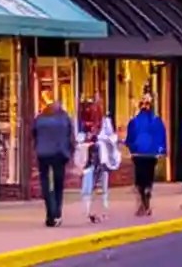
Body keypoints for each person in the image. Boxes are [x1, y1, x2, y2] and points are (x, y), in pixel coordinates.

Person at [32, 95, 75, 228]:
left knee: (45, 184)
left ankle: (50, 213)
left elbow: (33, 134)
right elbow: (71, 137)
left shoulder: (40, 119)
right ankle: (57, 212)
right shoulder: (65, 118)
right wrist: (71, 153)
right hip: (59, 154)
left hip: (43, 154)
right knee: (58, 184)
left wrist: (37, 149)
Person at [78, 98, 119, 223]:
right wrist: (86, 140)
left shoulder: (105, 123)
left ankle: (101, 211)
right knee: (88, 186)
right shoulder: (84, 124)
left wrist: (102, 139)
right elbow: (79, 138)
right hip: (90, 159)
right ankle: (90, 211)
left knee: (102, 186)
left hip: (102, 159)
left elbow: (113, 137)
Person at [126, 93, 167, 216]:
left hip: (140, 154)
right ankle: (146, 201)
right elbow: (161, 136)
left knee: (140, 181)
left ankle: (143, 204)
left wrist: (132, 149)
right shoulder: (156, 120)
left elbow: (130, 138)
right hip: (149, 154)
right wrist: (160, 150)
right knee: (148, 178)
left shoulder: (134, 121)